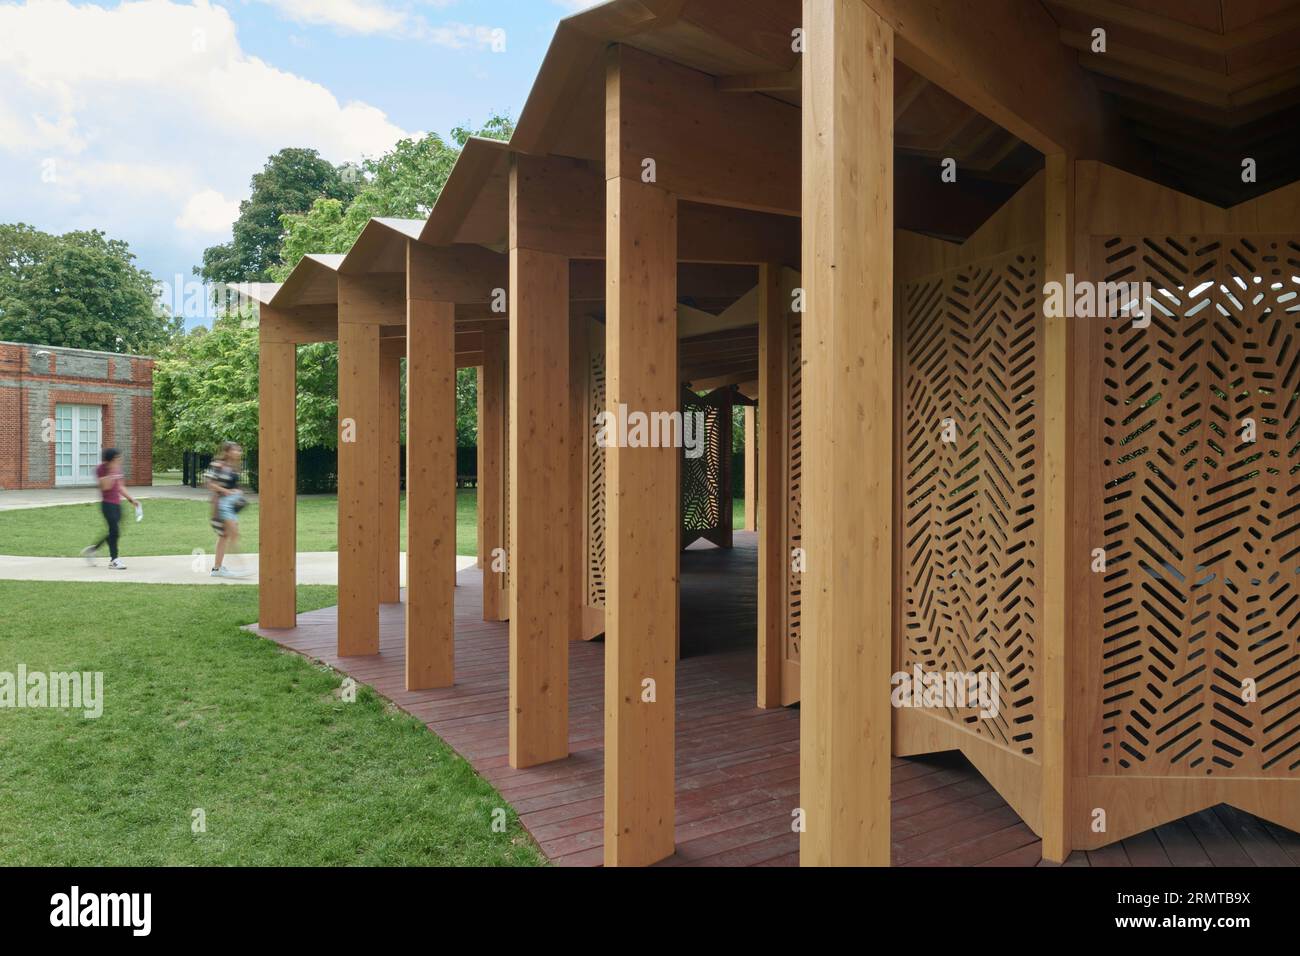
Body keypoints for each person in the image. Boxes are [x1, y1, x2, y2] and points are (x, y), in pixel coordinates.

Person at [81, 448, 140, 570]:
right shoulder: (101, 469)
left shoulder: (117, 468)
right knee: (115, 531)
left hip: (117, 504)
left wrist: (131, 499)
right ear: (111, 459)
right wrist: (111, 471)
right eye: (118, 458)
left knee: (114, 532)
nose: (120, 459)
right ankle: (114, 560)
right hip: (107, 505)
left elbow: (120, 486)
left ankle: (92, 550)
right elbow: (106, 487)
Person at [204, 441, 248, 578]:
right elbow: (209, 484)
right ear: (227, 452)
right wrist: (227, 492)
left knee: (226, 536)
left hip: (229, 507)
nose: (238, 452)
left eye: (239, 450)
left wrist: (236, 492)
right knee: (232, 535)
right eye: (236, 450)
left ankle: (217, 569)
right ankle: (240, 566)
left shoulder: (233, 468)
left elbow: (231, 485)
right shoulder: (218, 465)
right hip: (220, 506)